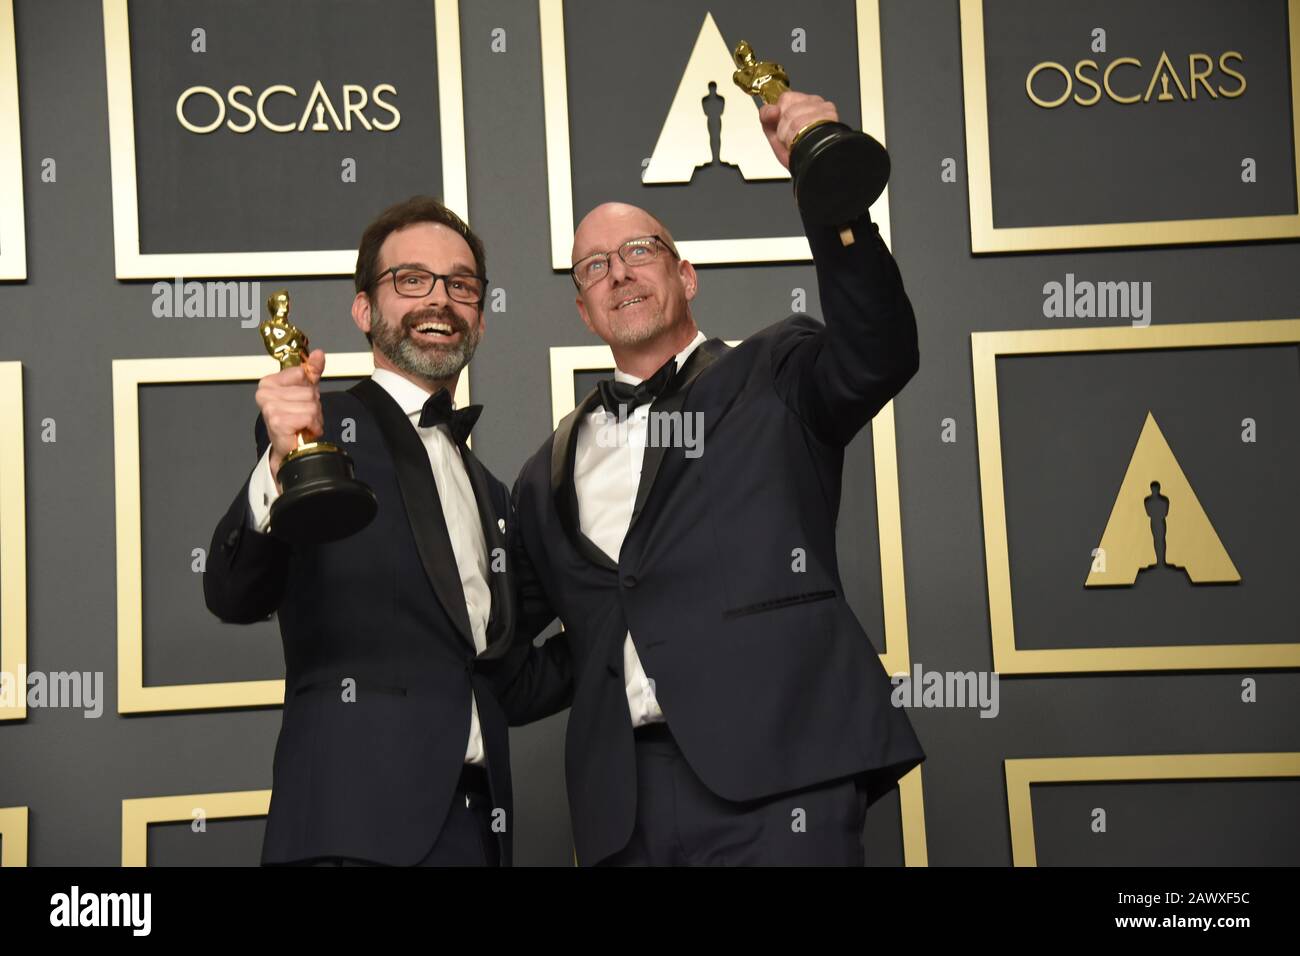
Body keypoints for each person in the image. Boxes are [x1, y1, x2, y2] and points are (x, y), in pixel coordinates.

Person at [499, 90, 925, 865]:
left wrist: (830, 199)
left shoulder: (779, 371)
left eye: (639, 251)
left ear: (686, 275)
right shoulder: (542, 475)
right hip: (621, 809)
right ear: (584, 309)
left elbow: (880, 353)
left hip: (781, 782)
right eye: (595, 266)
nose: (619, 273)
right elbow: (526, 665)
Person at [204, 196, 519, 866]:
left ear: (480, 319)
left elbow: (504, 674)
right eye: (411, 280)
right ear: (364, 310)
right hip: (348, 828)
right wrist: (281, 461)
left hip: (476, 830)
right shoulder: (325, 428)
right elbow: (234, 593)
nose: (438, 299)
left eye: (459, 284)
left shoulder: (490, 490)